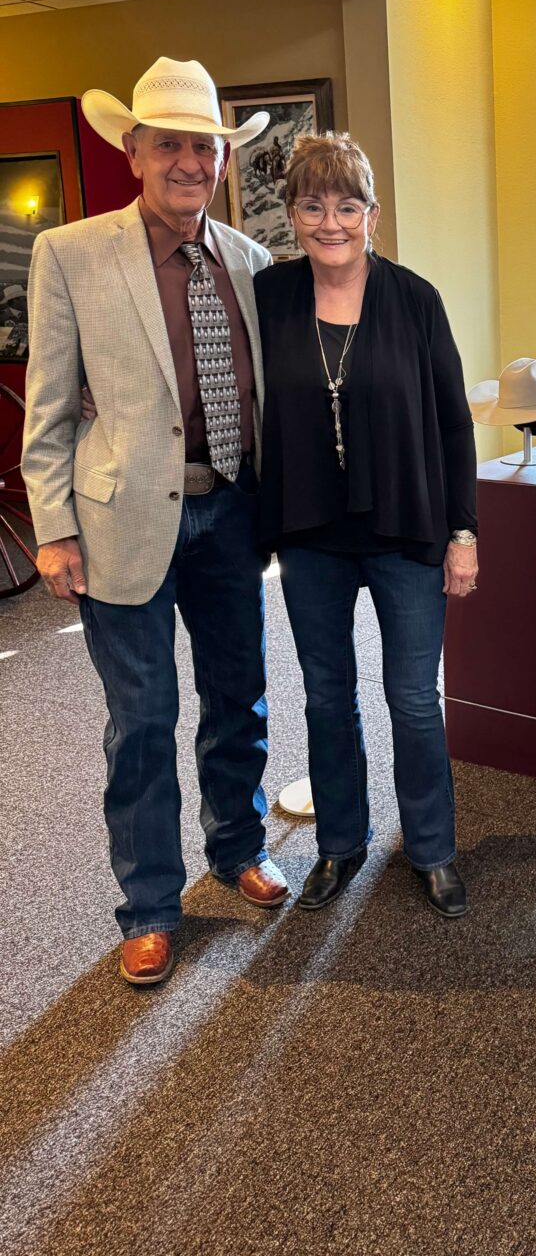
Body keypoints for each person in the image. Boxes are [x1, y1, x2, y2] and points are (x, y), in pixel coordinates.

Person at [22, 57, 290, 987]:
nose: (187, 161)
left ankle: (238, 845)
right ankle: (147, 905)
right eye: (168, 143)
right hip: (119, 522)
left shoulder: (251, 265)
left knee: (239, 697)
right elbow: (50, 409)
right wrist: (52, 527)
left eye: (203, 146)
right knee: (141, 722)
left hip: (231, 514)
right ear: (133, 151)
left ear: (222, 158)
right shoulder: (72, 253)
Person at [255, 133, 478, 917]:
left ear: (372, 216)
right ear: (291, 215)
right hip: (310, 535)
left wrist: (463, 533)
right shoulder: (271, 297)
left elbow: (454, 424)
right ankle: (340, 845)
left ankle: (431, 848)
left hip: (406, 530)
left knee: (414, 698)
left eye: (346, 205)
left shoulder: (415, 299)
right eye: (311, 205)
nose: (330, 221)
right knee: (325, 696)